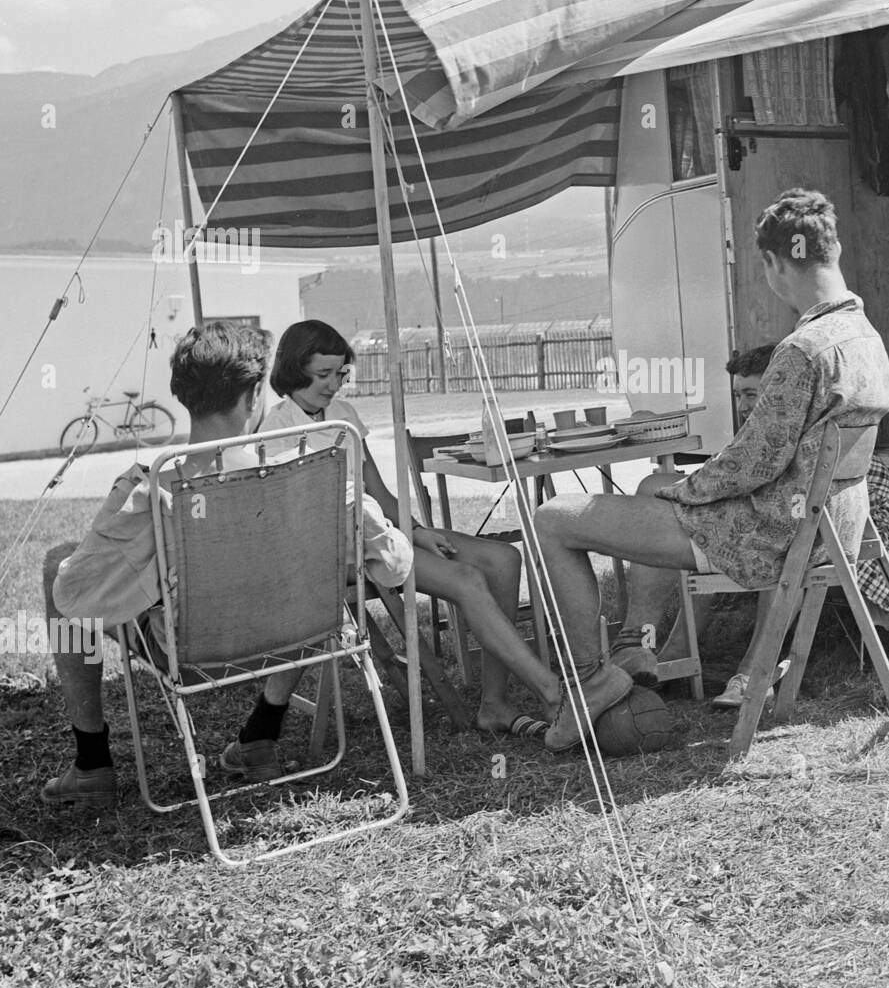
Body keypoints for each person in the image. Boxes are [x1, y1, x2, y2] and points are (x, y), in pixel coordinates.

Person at [535, 188, 889, 736]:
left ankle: (588, 680)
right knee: (657, 483)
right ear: (834, 249)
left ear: (774, 264)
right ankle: (639, 647)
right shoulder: (865, 337)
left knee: (554, 518)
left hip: (765, 536)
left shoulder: (804, 350)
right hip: (831, 529)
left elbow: (753, 462)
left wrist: (687, 490)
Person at [43, 321, 415, 807]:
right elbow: (394, 566)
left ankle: (92, 763)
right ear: (255, 394)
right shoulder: (314, 474)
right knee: (295, 584)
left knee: (57, 566)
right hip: (297, 638)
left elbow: (75, 597)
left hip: (196, 655)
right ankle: (262, 733)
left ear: (181, 394)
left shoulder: (155, 488)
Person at [261, 321, 564, 741]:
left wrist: (417, 531)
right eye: (323, 375)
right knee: (467, 578)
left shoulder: (344, 415)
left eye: (340, 374)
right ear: (294, 371)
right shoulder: (277, 431)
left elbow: (380, 493)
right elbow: (290, 522)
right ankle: (551, 691)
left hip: (376, 529)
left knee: (504, 559)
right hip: (336, 552)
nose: (334, 385)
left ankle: (495, 703)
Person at [641, 341, 889, 707]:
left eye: (751, 393)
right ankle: (668, 658)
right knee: (705, 520)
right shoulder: (770, 434)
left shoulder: (799, 430)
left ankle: (754, 671)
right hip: (817, 527)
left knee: (778, 541)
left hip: (865, 540)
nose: (743, 405)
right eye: (738, 395)